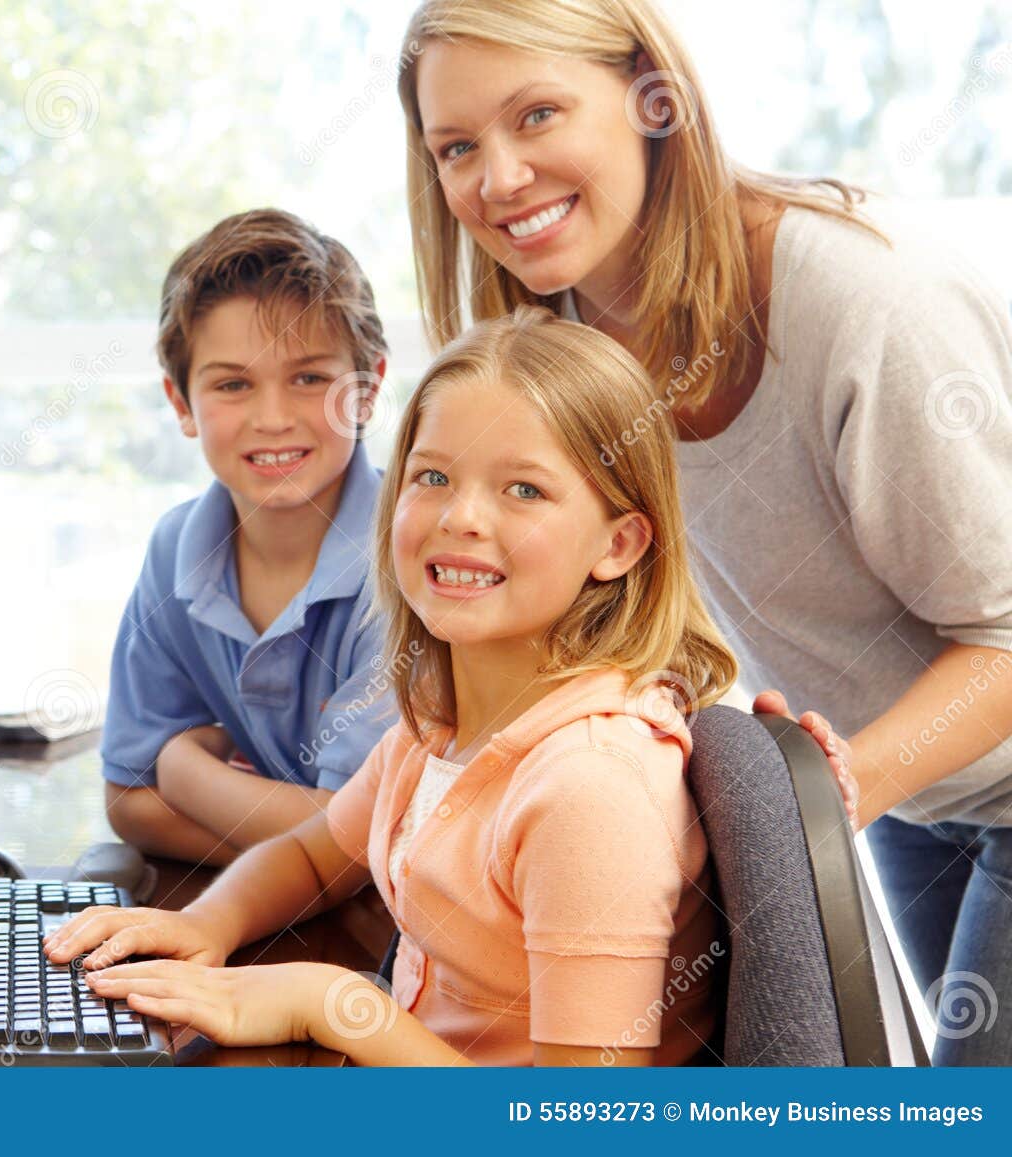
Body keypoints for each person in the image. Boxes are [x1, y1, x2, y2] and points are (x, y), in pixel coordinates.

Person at [396, 0, 1012, 1064]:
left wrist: (816, 804)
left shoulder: (865, 304)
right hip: (924, 787)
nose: (495, 180)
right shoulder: (569, 334)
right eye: (456, 146)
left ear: (652, 95)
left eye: (535, 114)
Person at [51, 307, 737, 1065]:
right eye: (433, 476)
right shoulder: (437, 725)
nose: (461, 516)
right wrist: (210, 923)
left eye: (524, 490)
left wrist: (330, 1005)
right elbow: (313, 856)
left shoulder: (591, 786)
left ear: (618, 542)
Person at [100, 208, 396, 866]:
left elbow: (357, 842)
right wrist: (306, 853)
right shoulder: (177, 546)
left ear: (368, 389)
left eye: (310, 378)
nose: (273, 417)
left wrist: (181, 769)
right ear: (181, 405)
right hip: (281, 916)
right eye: (233, 384)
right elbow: (126, 799)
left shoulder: (408, 559)